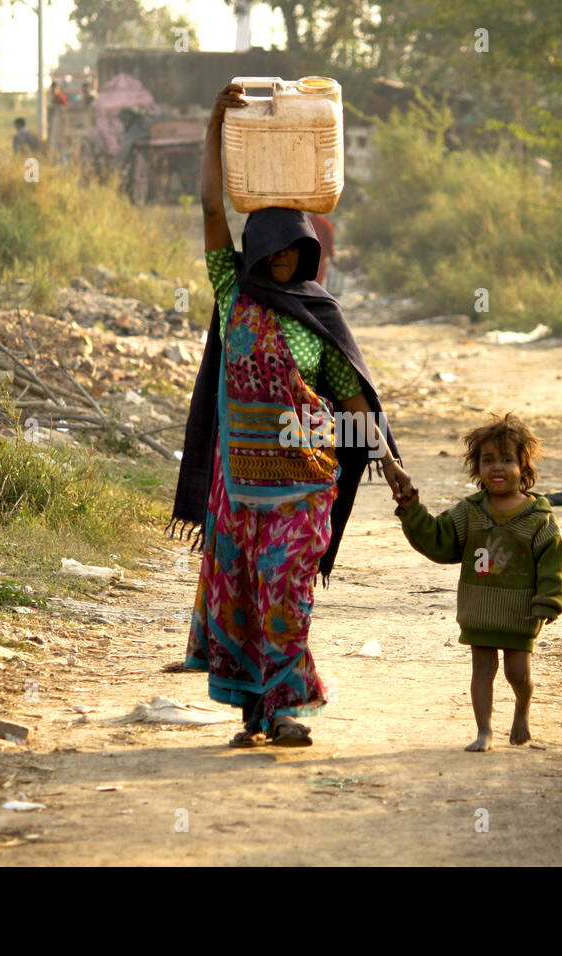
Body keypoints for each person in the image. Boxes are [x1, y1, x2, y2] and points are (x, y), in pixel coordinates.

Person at [169, 81, 410, 749]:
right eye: (270, 248)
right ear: (253, 251)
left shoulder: (319, 315)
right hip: (238, 486)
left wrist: (390, 465)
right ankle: (255, 714)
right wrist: (216, 123)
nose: (280, 258)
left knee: (287, 598)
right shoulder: (231, 292)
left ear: (309, 252)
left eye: (292, 249)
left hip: (305, 483)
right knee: (243, 603)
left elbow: (353, 395)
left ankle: (286, 710)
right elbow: (210, 204)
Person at [393, 413, 562, 751]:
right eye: (488, 460)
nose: (497, 468)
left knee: (518, 673)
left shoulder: (538, 519)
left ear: (524, 466)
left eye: (506, 459)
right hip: (479, 611)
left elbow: (553, 564)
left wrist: (549, 598)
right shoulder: (469, 512)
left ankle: (521, 709)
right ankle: (484, 731)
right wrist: (412, 510)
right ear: (477, 468)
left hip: (519, 613)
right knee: (483, 669)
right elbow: (439, 540)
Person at [308, 213, 335, 286]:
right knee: (317, 284)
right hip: (320, 259)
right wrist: (332, 255)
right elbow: (329, 241)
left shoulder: (305, 221)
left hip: (305, 257)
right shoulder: (326, 223)